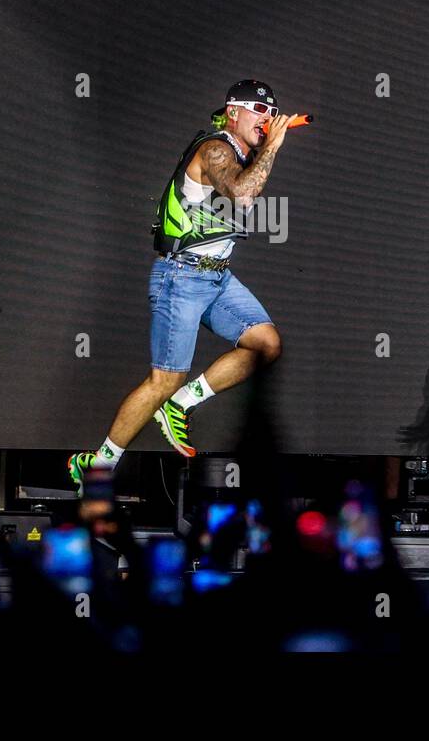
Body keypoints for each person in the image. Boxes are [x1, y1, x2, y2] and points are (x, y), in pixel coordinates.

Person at [68, 80, 297, 494]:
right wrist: (274, 146)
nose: (267, 120)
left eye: (272, 113)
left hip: (217, 278)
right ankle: (98, 466)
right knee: (163, 380)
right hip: (182, 276)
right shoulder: (215, 149)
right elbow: (243, 194)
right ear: (233, 112)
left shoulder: (242, 153)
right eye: (259, 111)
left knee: (266, 344)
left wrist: (266, 147)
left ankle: (182, 403)